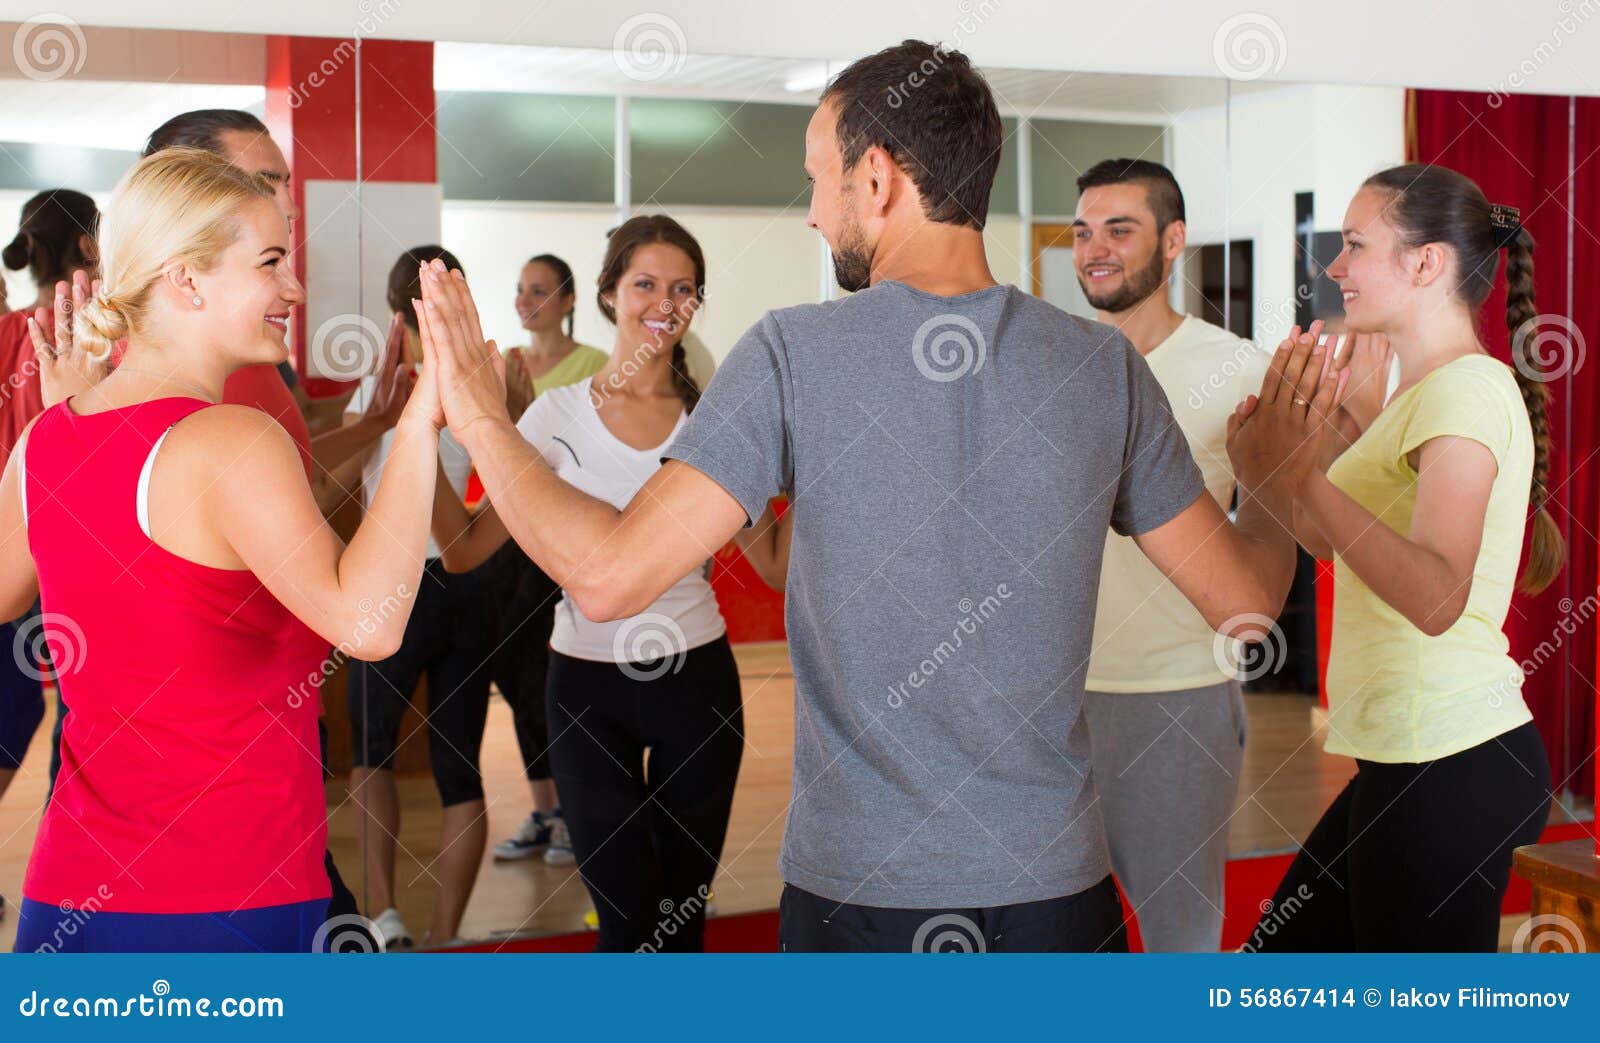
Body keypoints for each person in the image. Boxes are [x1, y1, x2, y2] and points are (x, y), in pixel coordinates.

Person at [417, 40, 1341, 953]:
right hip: (1057, 903)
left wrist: (484, 421)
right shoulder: (1102, 368)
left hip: (861, 905)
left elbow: (609, 578)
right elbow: (1249, 604)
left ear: (877, 176)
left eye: (818, 178)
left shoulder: (789, 354)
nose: (815, 214)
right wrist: (1269, 479)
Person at [0, 147, 443, 952]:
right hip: (228, 902)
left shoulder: (42, 443)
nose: (294, 288)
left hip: (67, 901)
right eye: (271, 261)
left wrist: (77, 421)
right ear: (186, 280)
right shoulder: (232, 438)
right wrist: (422, 421)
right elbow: (369, 624)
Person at [1244, 164, 1560, 953]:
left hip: (1454, 759)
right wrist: (1274, 468)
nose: (1335, 268)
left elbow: (1436, 595)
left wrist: (1301, 474)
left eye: (1354, 245)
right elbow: (1331, 543)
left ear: (1426, 263)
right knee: (1278, 974)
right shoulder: (1412, 397)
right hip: (1404, 756)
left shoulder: (1470, 390)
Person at [430, 214, 741, 952]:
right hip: (585, 687)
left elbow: (773, 561)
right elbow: (467, 548)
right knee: (626, 917)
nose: (663, 301)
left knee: (681, 922)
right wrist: (427, 430)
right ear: (608, 294)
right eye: (644, 283)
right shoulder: (555, 414)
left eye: (683, 288)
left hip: (695, 681)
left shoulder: (716, 416)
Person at [1071, 159, 1270, 952]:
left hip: (1177, 699)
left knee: (1180, 939)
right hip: (1047, 699)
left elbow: (1280, 527)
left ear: (1174, 240)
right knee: (1056, 939)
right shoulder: (1050, 363)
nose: (1095, 249)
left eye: (1121, 229)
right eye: (1084, 231)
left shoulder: (1239, 371)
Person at [344, 246, 492, 949]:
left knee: (371, 751)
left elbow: (333, 484)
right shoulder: (480, 378)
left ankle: (385, 917)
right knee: (459, 765)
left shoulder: (379, 394)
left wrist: (380, 418)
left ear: (393, 315)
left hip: (393, 587)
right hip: (464, 581)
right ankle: (446, 936)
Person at [488, 253, 607, 866]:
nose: (525, 300)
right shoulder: (507, 365)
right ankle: (544, 807)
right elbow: (502, 449)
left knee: (553, 673)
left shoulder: (597, 367)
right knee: (514, 670)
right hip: (510, 538)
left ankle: (574, 810)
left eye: (539, 290)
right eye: (519, 288)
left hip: (566, 538)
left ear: (567, 300)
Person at [0, 189, 99, 825]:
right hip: (71, 559)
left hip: (8, 551)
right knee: (77, 716)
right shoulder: (100, 338)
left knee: (22, 712)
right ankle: (69, 874)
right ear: (91, 245)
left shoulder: (6, 333)